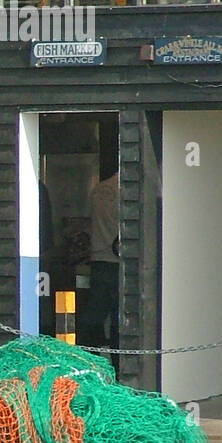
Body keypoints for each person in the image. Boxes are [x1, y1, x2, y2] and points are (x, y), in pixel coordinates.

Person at [79, 146, 119, 352]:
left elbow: (88, 223)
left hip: (99, 260)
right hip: (118, 263)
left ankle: (89, 359)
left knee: (94, 314)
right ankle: (119, 364)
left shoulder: (98, 190)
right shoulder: (128, 192)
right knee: (119, 318)